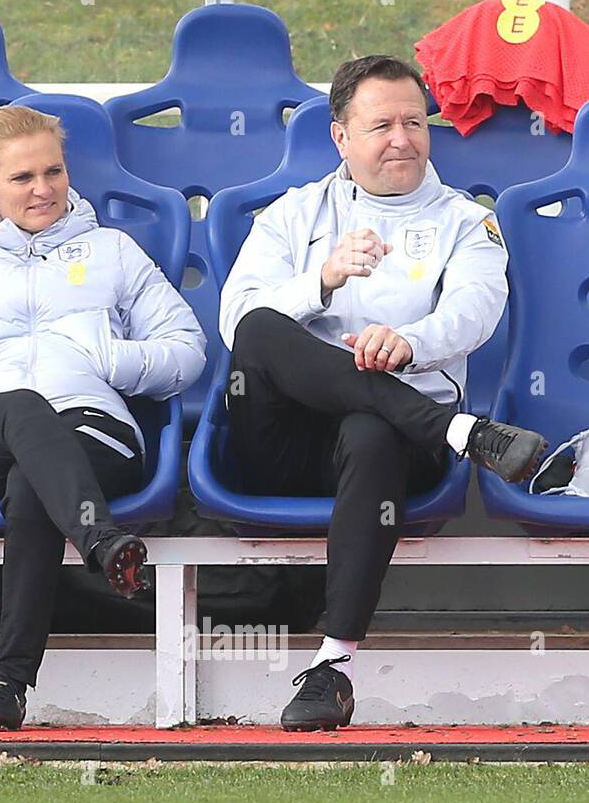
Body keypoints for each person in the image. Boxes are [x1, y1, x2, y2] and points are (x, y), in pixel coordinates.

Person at [218, 56, 548, 732]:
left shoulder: (464, 221)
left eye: (414, 121)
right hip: (289, 441)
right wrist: (322, 281)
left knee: (372, 428)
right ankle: (458, 431)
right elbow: (236, 324)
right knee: (260, 324)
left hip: (387, 451)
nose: (402, 137)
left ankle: (331, 668)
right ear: (340, 136)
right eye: (381, 125)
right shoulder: (295, 214)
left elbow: (477, 310)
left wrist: (410, 343)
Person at [0, 105, 206, 730]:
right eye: (22, 178)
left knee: (34, 482)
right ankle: (103, 544)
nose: (44, 189)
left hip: (92, 429)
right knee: (22, 404)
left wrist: (111, 360)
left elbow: (187, 352)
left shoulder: (112, 250)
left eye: (53, 171)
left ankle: (8, 685)